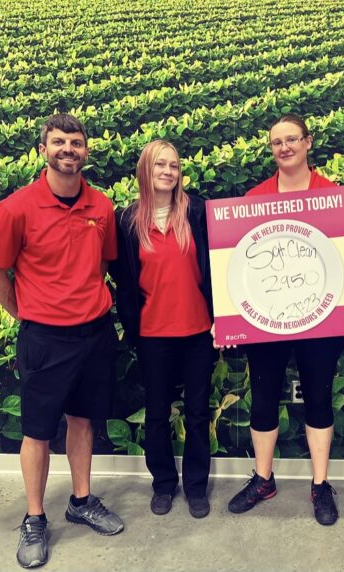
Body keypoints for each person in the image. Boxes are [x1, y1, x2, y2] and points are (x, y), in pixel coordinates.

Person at [0, 113, 124, 569]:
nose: (68, 149)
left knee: (83, 421)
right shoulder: (16, 208)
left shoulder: (101, 207)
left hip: (95, 332)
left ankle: (81, 501)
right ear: (43, 148)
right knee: (37, 432)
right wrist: (25, 312)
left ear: (86, 150)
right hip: (44, 339)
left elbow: (102, 264)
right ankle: (35, 517)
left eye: (76, 142)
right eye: (59, 141)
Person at [224, 114, 344, 526]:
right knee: (264, 396)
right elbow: (238, 266)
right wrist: (230, 317)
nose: (284, 147)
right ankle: (263, 478)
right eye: (276, 142)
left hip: (319, 319)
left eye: (291, 140)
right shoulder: (255, 197)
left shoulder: (331, 197)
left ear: (308, 142)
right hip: (266, 320)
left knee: (319, 398)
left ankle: (320, 484)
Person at [110, 139, 216, 519]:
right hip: (154, 334)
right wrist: (133, 329)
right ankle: (163, 484)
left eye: (173, 165)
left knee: (198, 412)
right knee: (157, 414)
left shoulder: (198, 213)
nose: (168, 172)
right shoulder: (128, 221)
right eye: (160, 165)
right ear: (146, 170)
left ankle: (197, 487)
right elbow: (122, 280)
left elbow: (219, 265)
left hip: (199, 331)